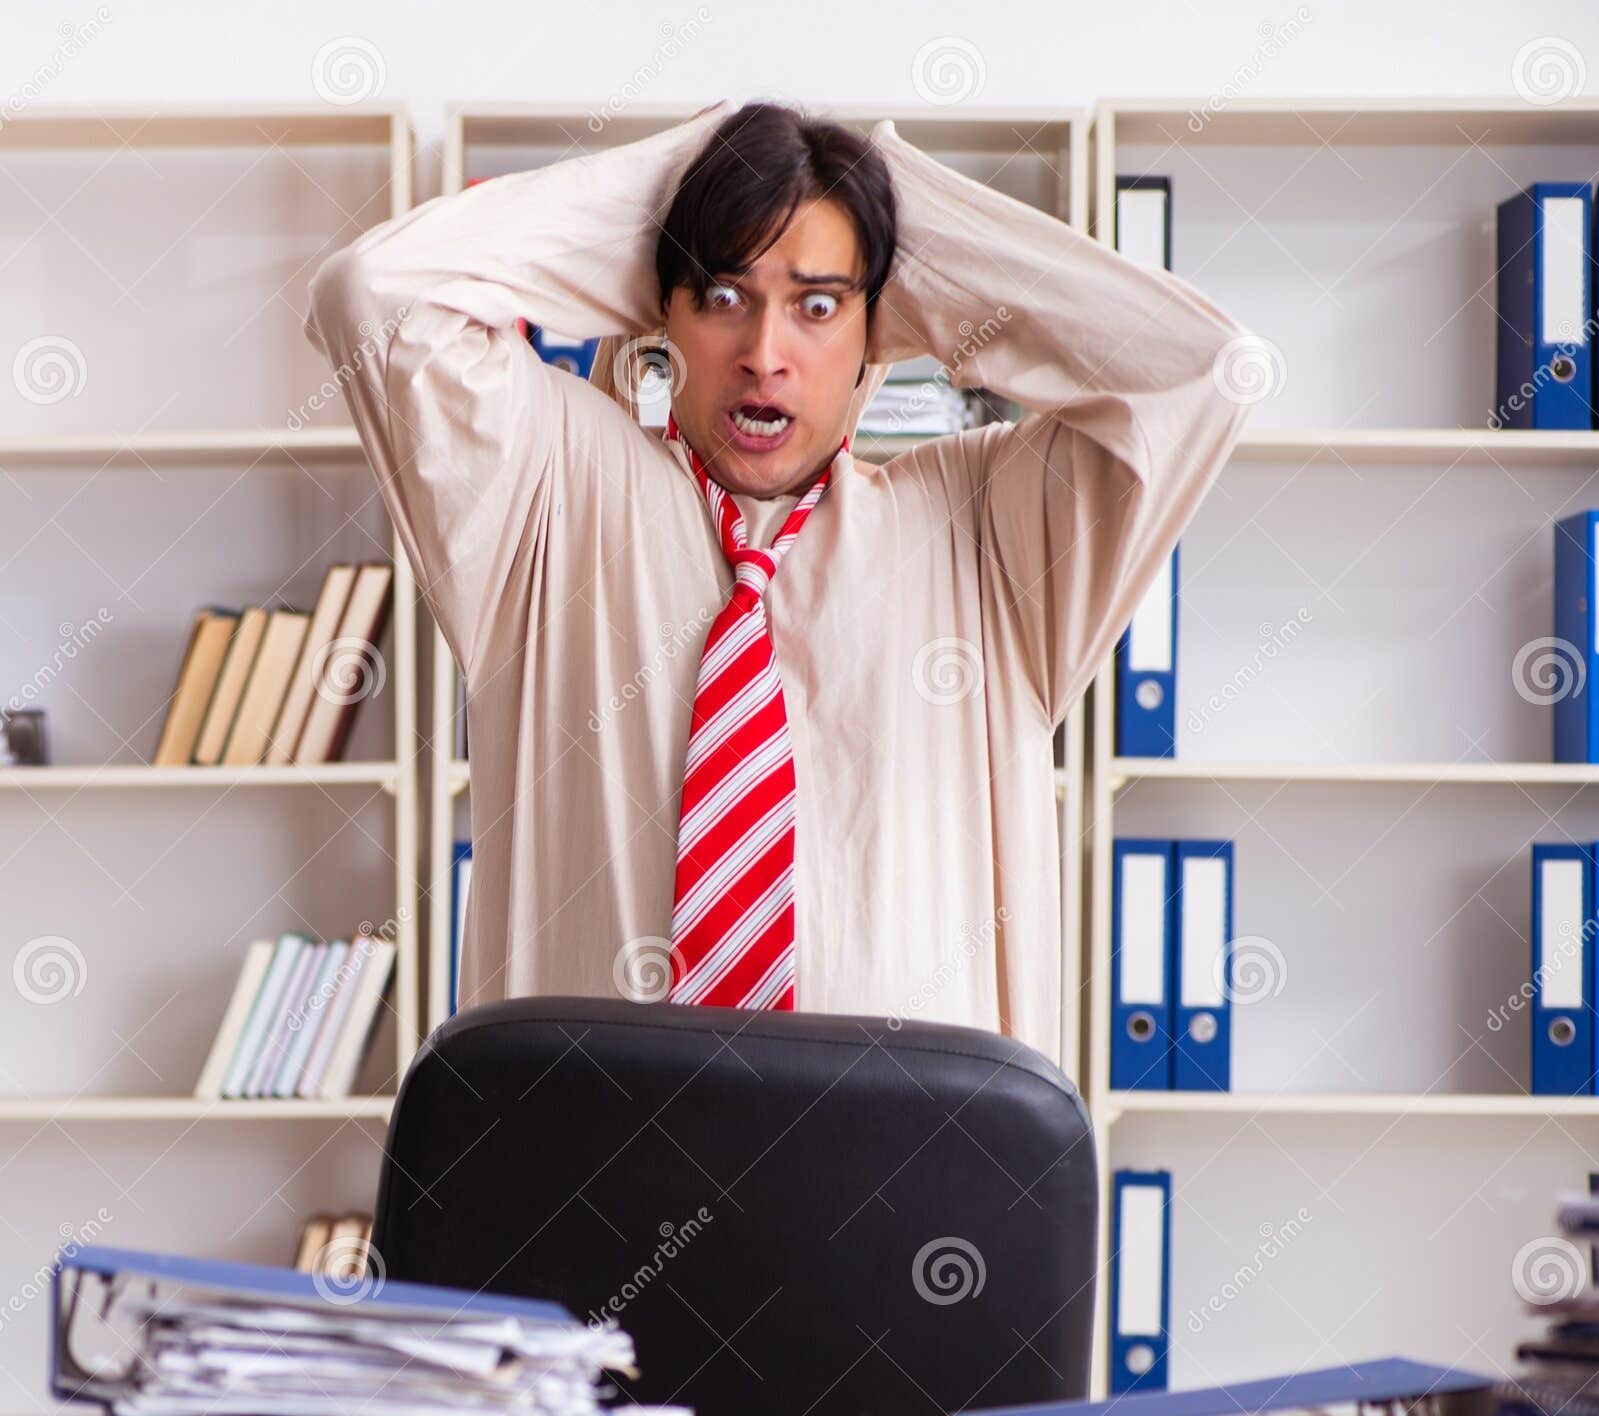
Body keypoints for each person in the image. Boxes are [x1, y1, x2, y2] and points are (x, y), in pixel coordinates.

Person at [303, 98, 1251, 1072]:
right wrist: (670, 191)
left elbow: (1202, 375)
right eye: (722, 297)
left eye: (817, 305)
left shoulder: (986, 528)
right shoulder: (553, 500)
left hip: (909, 1193)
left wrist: (895, 219)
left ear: (877, 333)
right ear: (656, 312)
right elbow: (376, 294)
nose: (765, 352)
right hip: (595, 1183)